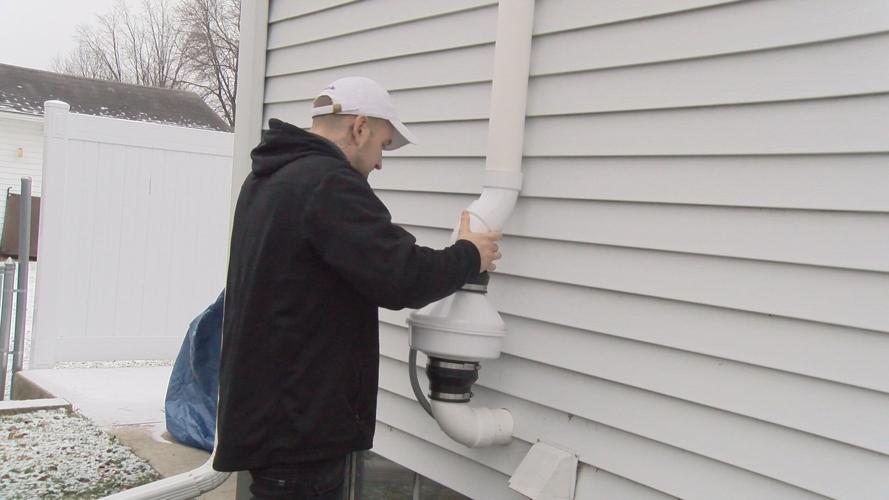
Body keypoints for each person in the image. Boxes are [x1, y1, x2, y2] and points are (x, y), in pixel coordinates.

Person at [213, 76, 503, 499]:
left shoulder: (268, 179)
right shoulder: (327, 183)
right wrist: (470, 254)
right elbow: (402, 276)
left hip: (271, 416)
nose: (380, 163)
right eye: (383, 145)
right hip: (300, 429)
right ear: (360, 127)